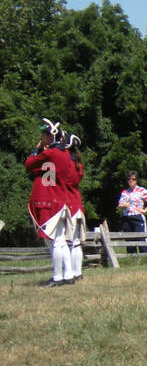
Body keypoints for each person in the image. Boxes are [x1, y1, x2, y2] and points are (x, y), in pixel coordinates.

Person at [25, 118, 74, 287]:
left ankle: (57, 276)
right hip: (60, 200)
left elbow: (29, 164)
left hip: (48, 202)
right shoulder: (65, 154)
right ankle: (68, 275)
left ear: (50, 136)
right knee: (60, 240)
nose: (42, 137)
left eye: (44, 134)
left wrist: (37, 149)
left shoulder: (49, 154)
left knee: (54, 242)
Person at [63, 132, 87, 282]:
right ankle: (77, 272)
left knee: (68, 242)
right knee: (76, 242)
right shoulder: (79, 165)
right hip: (77, 204)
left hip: (68, 205)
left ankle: (70, 273)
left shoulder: (66, 163)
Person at [117, 171, 147, 254]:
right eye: (129, 179)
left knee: (141, 238)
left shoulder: (141, 190)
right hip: (126, 217)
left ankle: (145, 258)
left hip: (137, 216)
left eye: (133, 179)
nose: (131, 181)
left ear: (136, 180)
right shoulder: (125, 192)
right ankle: (132, 258)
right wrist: (124, 205)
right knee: (129, 239)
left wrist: (145, 210)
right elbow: (120, 204)